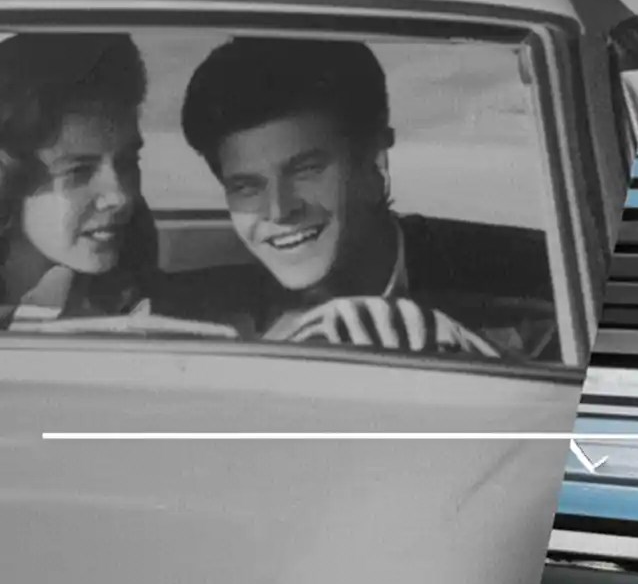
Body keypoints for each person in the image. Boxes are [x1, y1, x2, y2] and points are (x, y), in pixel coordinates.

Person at [153, 36, 554, 360]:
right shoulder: (199, 324)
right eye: (246, 186)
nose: (279, 210)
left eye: (306, 170)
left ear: (374, 161)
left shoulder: (537, 282)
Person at [0, 32, 158, 328]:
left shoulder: (134, 304)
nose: (120, 196)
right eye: (78, 171)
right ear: (8, 182)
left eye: (126, 163)